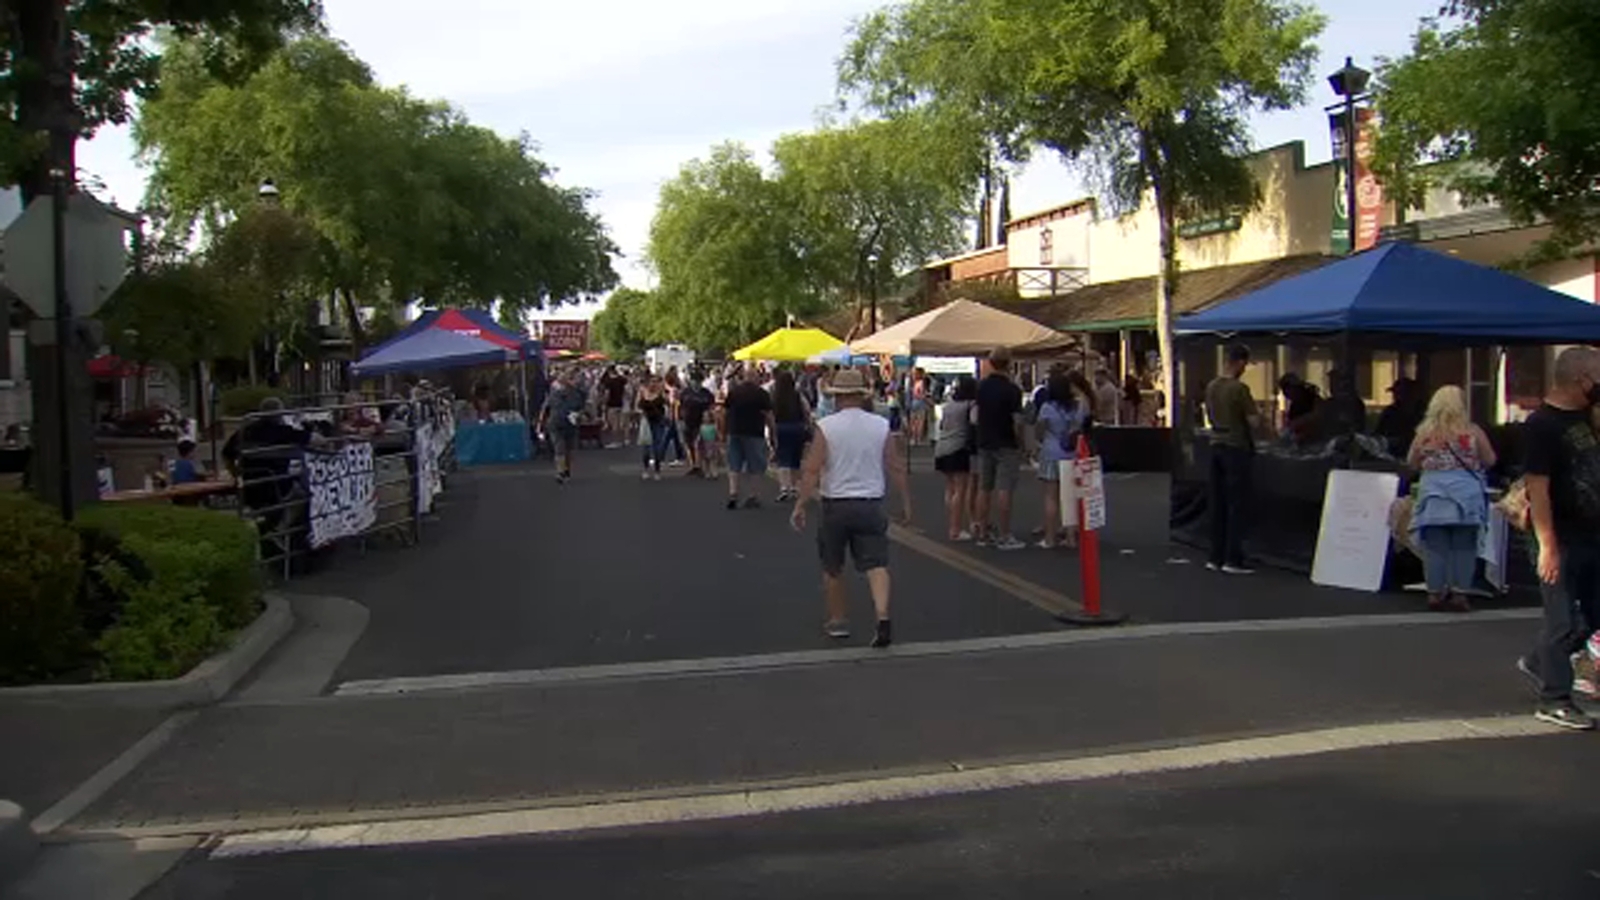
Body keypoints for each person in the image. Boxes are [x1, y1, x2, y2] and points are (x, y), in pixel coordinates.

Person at [791, 368, 912, 649]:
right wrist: (906, 501)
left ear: (837, 396)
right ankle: (882, 616)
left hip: (836, 503)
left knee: (833, 565)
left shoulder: (827, 426)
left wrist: (800, 504)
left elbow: (812, 469)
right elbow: (895, 466)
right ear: (861, 395)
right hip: (870, 502)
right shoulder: (880, 425)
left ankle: (838, 620)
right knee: (877, 564)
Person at [1517, 346, 1600, 730]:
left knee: (1592, 615)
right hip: (1559, 535)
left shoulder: (1587, 417)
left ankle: (1539, 660)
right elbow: (1538, 488)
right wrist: (1547, 545)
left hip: (1591, 532)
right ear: (1580, 378)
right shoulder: (1542, 425)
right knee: (1561, 619)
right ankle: (1555, 698)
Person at [1406, 385, 1495, 612]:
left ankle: (1434, 593)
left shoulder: (1424, 433)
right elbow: (1490, 459)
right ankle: (1460, 594)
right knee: (1464, 546)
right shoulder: (1473, 432)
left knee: (1435, 547)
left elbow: (1411, 462)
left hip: (1434, 495)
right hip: (1466, 496)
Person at [1204, 344, 1261, 574]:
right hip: (1236, 447)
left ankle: (1214, 556)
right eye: (1244, 364)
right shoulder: (1240, 389)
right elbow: (1254, 421)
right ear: (1239, 362)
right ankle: (1233, 558)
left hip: (1215, 443)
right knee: (1236, 503)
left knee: (1217, 502)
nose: (1244, 369)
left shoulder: (1211, 387)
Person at [973, 348, 1025, 550]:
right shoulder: (1012, 390)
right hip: (1006, 441)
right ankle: (1004, 534)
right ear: (1009, 364)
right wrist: (1021, 442)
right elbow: (1017, 421)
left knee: (984, 488)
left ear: (992, 363)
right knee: (1004, 489)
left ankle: (982, 531)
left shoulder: (982, 387)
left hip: (985, 440)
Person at [1035, 372, 1090, 550]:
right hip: (1072, 454)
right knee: (1070, 498)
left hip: (1051, 453)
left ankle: (1050, 538)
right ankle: (1071, 537)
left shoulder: (1047, 407)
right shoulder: (1077, 406)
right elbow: (1082, 423)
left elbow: (1039, 430)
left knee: (1051, 497)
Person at [934, 374, 978, 541]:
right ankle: (955, 528)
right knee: (961, 489)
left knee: (950, 487)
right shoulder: (970, 405)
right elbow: (975, 422)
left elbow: (943, 425)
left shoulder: (949, 406)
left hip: (942, 448)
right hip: (958, 447)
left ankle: (952, 522)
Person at [723, 367, 774, 509]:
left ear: (745, 377)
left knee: (734, 464)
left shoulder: (734, 392)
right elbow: (769, 416)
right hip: (754, 433)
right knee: (756, 465)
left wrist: (723, 431)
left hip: (734, 431)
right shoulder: (762, 394)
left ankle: (733, 492)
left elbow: (725, 412)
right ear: (755, 377)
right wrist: (772, 433)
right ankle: (753, 495)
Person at [539, 370, 587, 483]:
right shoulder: (560, 392)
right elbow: (546, 407)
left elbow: (546, 407)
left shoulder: (576, 393)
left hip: (564, 423)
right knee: (561, 448)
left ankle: (565, 471)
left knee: (566, 449)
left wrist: (579, 414)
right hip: (559, 423)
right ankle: (562, 472)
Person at [771, 370, 811, 501]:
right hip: (797, 427)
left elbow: (772, 414)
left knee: (783, 459)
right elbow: (806, 410)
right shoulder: (797, 395)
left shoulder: (776, 397)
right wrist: (807, 424)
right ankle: (794, 488)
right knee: (795, 459)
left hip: (781, 428)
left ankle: (784, 488)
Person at [678, 369, 715, 478]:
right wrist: (678, 418)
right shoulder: (685, 392)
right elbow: (679, 405)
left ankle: (700, 466)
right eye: (694, 380)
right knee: (688, 444)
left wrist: (710, 419)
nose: (696, 383)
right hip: (687, 421)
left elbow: (711, 406)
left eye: (698, 380)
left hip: (702, 422)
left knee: (698, 444)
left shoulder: (706, 393)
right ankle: (693, 465)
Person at [636, 375, 670, 481]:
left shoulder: (661, 394)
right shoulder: (642, 392)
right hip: (646, 422)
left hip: (658, 421)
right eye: (652, 381)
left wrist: (667, 416)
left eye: (656, 382)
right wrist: (641, 413)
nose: (654, 384)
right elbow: (636, 406)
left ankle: (657, 470)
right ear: (648, 383)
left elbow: (668, 405)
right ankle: (646, 469)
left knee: (657, 446)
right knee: (646, 447)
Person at [600, 365, 628, 447]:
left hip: (611, 403)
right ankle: (622, 440)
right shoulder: (622, 379)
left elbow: (607, 394)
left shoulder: (609, 381)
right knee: (620, 423)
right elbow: (626, 390)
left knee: (613, 423)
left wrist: (604, 402)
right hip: (621, 402)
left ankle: (615, 441)